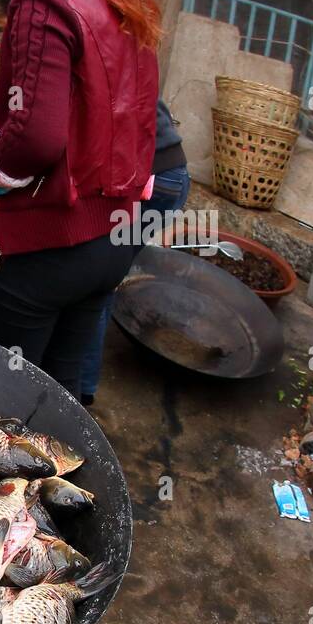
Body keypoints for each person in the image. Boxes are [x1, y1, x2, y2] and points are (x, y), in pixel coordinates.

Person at [0, 0, 160, 398]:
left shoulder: (44, 1)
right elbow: (110, 117)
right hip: (113, 238)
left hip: (45, 248)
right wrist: (10, 130)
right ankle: (70, 470)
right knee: (63, 395)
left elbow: (34, 145)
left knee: (11, 401)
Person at [79, 98, 190, 405]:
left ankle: (82, 391)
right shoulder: (124, 55)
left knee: (97, 284)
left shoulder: (90, 57)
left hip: (152, 180)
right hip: (172, 174)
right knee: (105, 274)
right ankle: (82, 383)